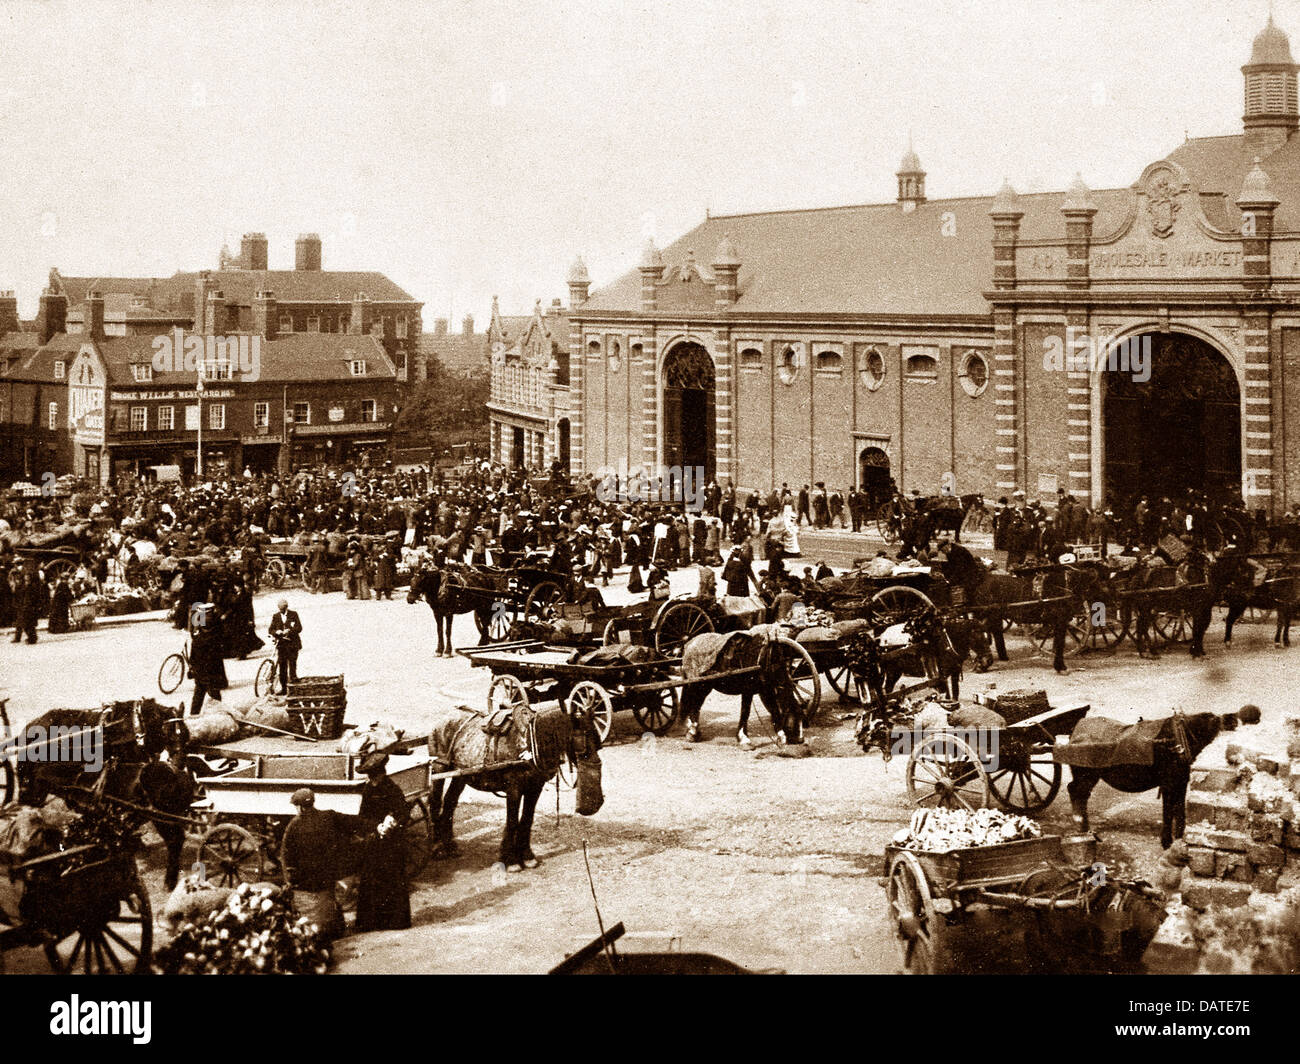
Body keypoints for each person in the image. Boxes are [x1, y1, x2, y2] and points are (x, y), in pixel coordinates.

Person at [280, 788, 351, 942]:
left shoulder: (294, 825)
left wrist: (289, 879)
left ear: (299, 807)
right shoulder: (328, 816)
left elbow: (286, 854)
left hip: (306, 879)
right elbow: (351, 824)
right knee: (329, 901)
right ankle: (334, 927)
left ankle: (317, 929)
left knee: (310, 905)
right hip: (328, 875)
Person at [354, 753, 411, 932]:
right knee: (371, 881)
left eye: (375, 776)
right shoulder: (368, 789)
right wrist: (375, 826)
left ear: (381, 774)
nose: (373, 780)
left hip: (392, 844)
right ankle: (371, 923)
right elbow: (362, 816)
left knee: (393, 880)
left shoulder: (392, 789)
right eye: (371, 777)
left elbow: (403, 813)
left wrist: (392, 820)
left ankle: (395, 922)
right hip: (374, 841)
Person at [187, 603, 228, 715]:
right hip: (211, 669)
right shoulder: (215, 627)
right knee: (213, 694)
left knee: (199, 695)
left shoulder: (200, 632)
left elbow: (193, 650)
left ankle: (193, 715)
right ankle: (219, 714)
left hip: (202, 669)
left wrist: (192, 665)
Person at [268, 598, 302, 694]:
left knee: (292, 666)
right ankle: (283, 689)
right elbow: (270, 629)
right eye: (280, 609)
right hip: (282, 645)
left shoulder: (293, 614)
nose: (281, 611)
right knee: (282, 667)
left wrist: (290, 631)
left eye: (283, 609)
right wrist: (276, 632)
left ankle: (293, 688)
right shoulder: (276, 616)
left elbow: (299, 627)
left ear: (286, 607)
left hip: (292, 644)